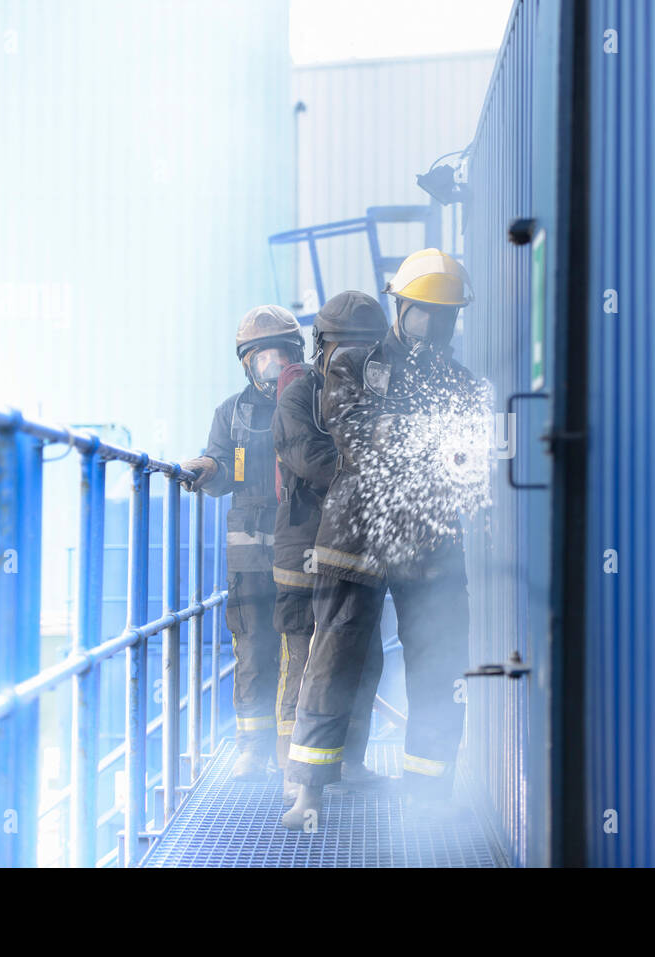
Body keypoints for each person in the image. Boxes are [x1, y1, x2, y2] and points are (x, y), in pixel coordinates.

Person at [282, 250, 487, 830]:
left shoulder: (463, 385)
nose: (437, 328)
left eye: (446, 318)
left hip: (431, 544)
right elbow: (354, 434)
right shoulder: (352, 364)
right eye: (426, 314)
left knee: (439, 662)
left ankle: (430, 791)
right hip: (357, 538)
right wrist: (422, 436)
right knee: (335, 660)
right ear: (402, 308)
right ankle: (310, 792)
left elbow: (465, 462)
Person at [271, 291, 390, 802]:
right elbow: (308, 457)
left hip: (359, 543)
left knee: (364, 657)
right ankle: (297, 781)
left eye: (365, 349)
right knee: (313, 657)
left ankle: (348, 764)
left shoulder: (379, 391)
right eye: (345, 348)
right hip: (310, 545)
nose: (353, 359)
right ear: (322, 348)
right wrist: (376, 472)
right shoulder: (301, 396)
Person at [180, 305, 304, 779]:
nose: (272, 368)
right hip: (251, 554)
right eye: (262, 359)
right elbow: (217, 466)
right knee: (254, 647)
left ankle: (295, 751)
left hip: (303, 549)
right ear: (247, 363)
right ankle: (253, 749)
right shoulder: (231, 413)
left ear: (296, 354)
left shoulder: (314, 400)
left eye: (281, 357)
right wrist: (204, 468)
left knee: (302, 648)